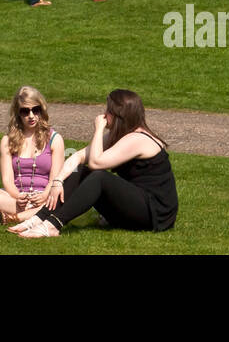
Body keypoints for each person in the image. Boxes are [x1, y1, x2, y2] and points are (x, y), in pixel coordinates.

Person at [10, 89, 177, 237]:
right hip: (137, 205)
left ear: (118, 115)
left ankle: (53, 225)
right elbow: (77, 157)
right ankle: (38, 218)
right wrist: (58, 181)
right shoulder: (121, 135)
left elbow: (97, 163)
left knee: (99, 177)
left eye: (108, 111)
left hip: (155, 212)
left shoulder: (137, 139)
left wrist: (98, 129)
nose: (104, 115)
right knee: (81, 170)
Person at [0, 86, 66, 224]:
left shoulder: (55, 139)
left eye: (35, 110)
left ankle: (15, 217)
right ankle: (35, 214)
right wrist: (18, 196)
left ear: (41, 110)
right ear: (18, 113)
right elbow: (7, 179)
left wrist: (44, 196)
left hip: (45, 195)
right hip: (17, 198)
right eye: (25, 111)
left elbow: (55, 179)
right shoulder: (7, 140)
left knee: (58, 200)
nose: (31, 116)